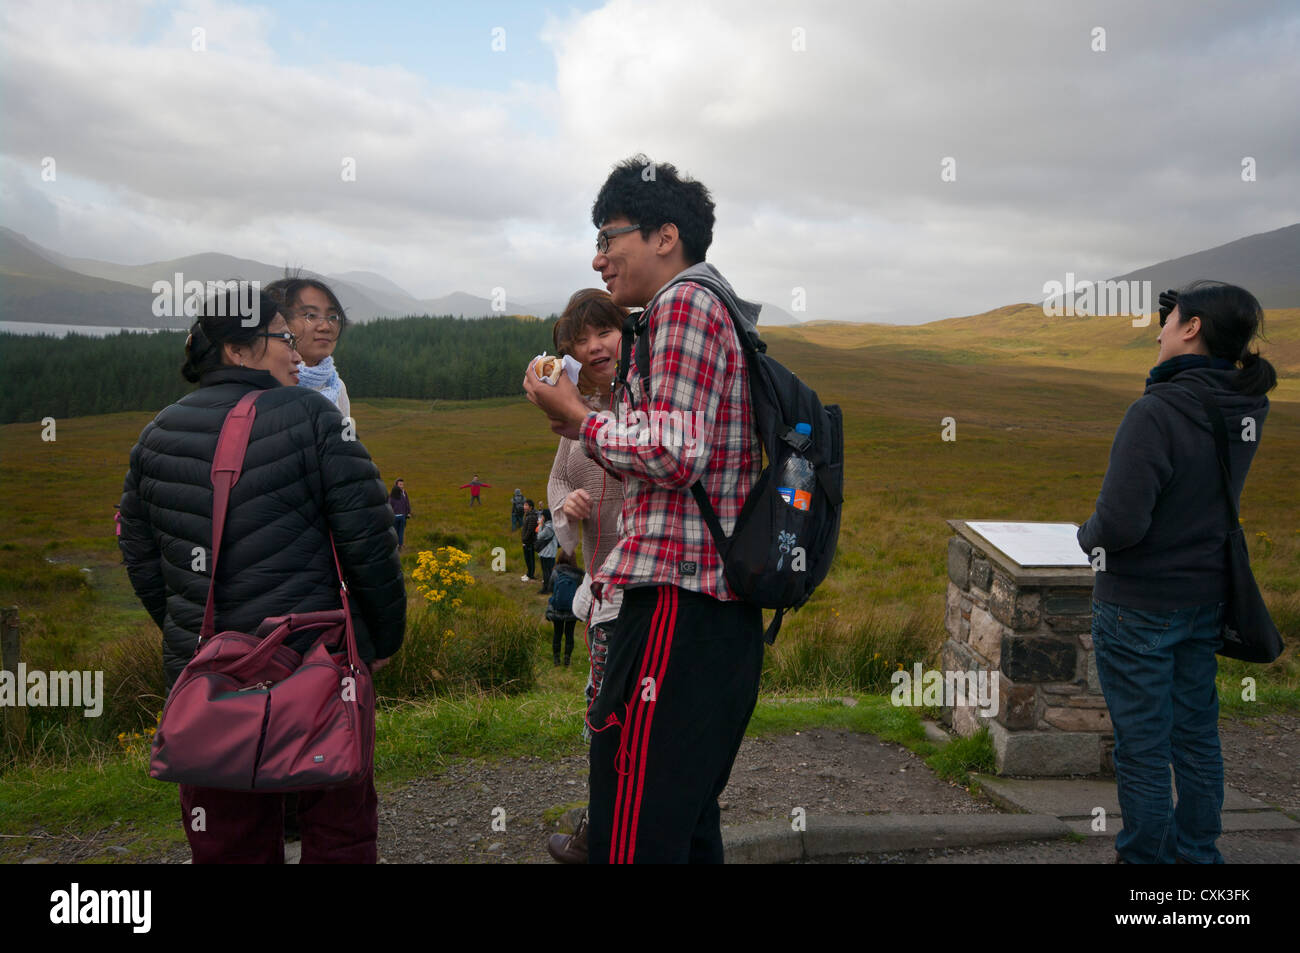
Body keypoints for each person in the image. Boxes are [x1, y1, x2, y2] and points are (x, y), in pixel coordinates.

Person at [523, 156, 764, 864]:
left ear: (665, 235)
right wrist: (575, 422)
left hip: (674, 604)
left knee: (631, 825)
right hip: (711, 609)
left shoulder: (685, 303)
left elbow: (674, 451)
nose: (598, 258)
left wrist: (581, 417)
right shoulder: (713, 308)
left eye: (609, 237)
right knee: (684, 822)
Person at [119, 287, 406, 865]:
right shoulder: (312, 415)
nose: (297, 350)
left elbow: (142, 557)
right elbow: (369, 541)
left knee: (227, 837)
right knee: (338, 827)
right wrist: (380, 638)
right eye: (283, 336)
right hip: (314, 665)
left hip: (209, 678)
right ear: (238, 350)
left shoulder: (155, 434)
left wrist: (187, 631)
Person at [1078, 280, 1276, 865]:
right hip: (1206, 597)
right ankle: (1196, 861)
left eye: (1169, 320)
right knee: (1194, 739)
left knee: (1142, 746)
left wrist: (1085, 537)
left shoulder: (1156, 411)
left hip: (1138, 602)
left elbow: (1120, 523)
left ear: (1191, 329)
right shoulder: (1246, 404)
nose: (1159, 330)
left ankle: (1143, 869)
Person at [542, 288, 629, 863]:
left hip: (643, 589)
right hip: (601, 592)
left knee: (616, 709)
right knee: (603, 703)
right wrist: (565, 507)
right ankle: (606, 815)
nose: (594, 346)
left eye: (604, 332)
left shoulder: (641, 405)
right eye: (580, 341)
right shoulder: (576, 420)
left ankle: (604, 831)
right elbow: (555, 481)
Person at [265, 274, 352, 419]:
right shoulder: (268, 381)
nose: (325, 327)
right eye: (310, 316)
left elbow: (346, 439)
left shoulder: (336, 387)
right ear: (279, 320)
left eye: (333, 317)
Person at [546, 550, 583, 666]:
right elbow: (580, 590)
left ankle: (556, 660)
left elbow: (550, 588)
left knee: (557, 634)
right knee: (569, 634)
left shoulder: (556, 572)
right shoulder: (578, 575)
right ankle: (567, 659)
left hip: (557, 608)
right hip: (572, 609)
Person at [535, 508, 557, 594]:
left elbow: (539, 536)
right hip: (550, 552)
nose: (541, 517)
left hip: (547, 552)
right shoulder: (551, 525)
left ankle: (546, 588)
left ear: (545, 516)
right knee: (549, 571)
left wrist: (540, 525)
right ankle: (550, 587)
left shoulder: (549, 527)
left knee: (546, 571)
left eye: (542, 515)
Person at [389, 479, 412, 549]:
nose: (402, 486)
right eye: (400, 484)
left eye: (403, 484)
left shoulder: (392, 495)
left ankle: (396, 545)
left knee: (396, 532)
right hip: (400, 516)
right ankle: (400, 545)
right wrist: (407, 513)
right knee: (400, 532)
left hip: (398, 516)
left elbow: (389, 506)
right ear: (396, 485)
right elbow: (406, 504)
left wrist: (408, 512)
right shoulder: (402, 494)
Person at [519, 498, 537, 582]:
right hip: (526, 542)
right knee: (527, 559)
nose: (524, 507)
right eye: (524, 505)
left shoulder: (532, 516)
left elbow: (530, 530)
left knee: (530, 559)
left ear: (531, 507)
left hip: (529, 542)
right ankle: (529, 573)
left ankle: (530, 575)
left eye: (526, 505)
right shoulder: (527, 515)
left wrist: (524, 539)